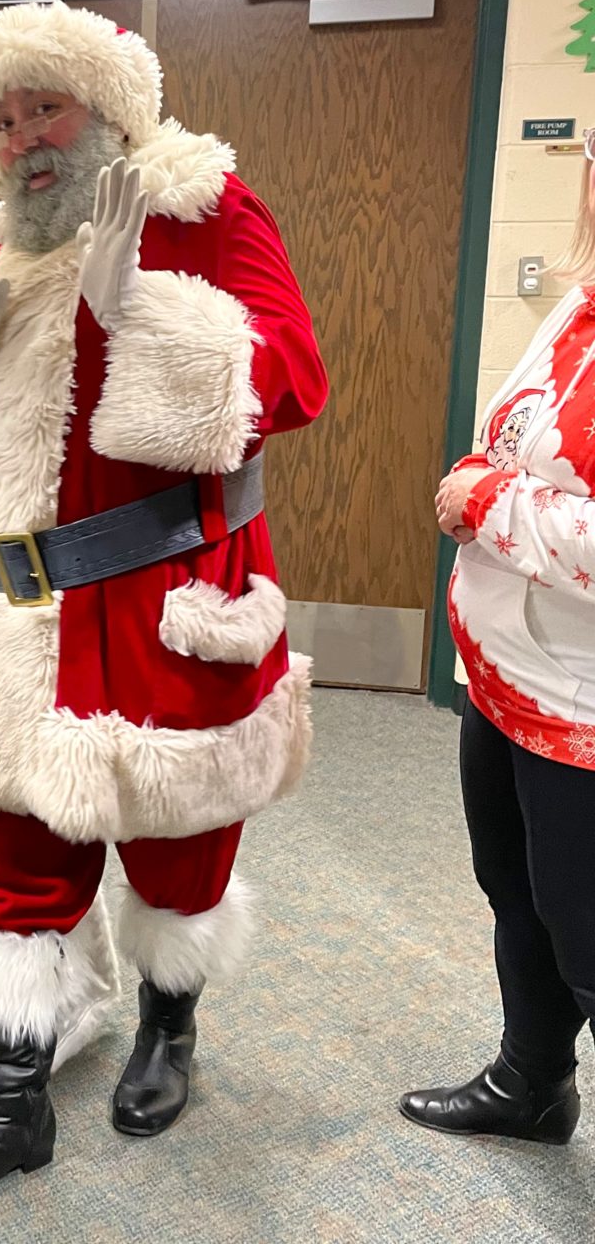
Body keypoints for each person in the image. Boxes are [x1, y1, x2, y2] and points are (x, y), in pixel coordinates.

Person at [0, 1, 328, 1219]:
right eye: (1, 121)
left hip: (163, 598)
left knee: (179, 856)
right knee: (9, 867)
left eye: (43, 108)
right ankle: (11, 1114)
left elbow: (290, 377)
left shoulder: (202, 208)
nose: (21, 140)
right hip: (15, 625)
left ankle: (169, 1029)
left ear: (109, 110)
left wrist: (144, 315)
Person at [401, 124, 595, 1145]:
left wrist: (486, 503)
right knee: (516, 892)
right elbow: (515, 437)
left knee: (587, 931)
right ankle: (531, 1082)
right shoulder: (580, 298)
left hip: (586, 713)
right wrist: (492, 478)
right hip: (511, 678)